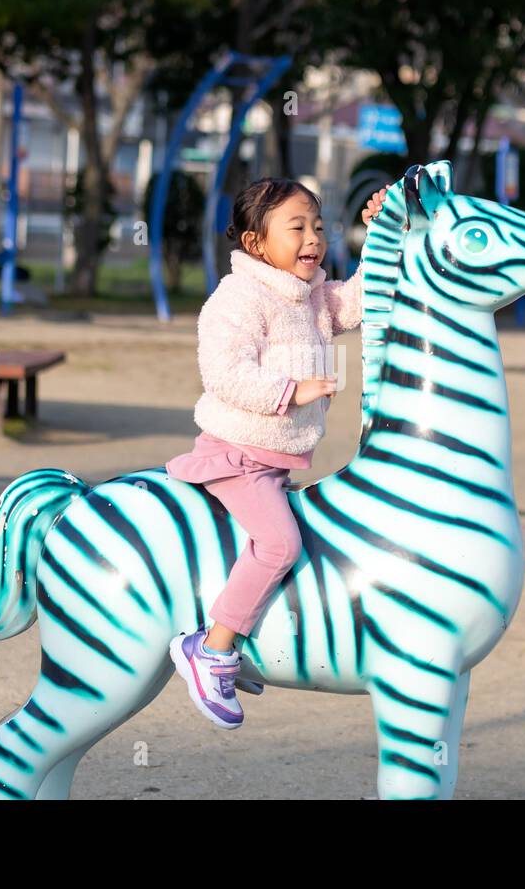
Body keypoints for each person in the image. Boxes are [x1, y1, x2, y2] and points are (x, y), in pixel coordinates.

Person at [166, 177, 386, 729]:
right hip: (238, 456)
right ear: (255, 243)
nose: (313, 238)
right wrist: (292, 390)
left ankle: (242, 637)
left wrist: (386, 230)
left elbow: (360, 302)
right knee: (280, 543)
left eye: (318, 226)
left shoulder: (311, 296)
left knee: (299, 539)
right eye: (297, 228)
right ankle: (211, 649)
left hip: (275, 461)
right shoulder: (238, 299)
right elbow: (224, 373)